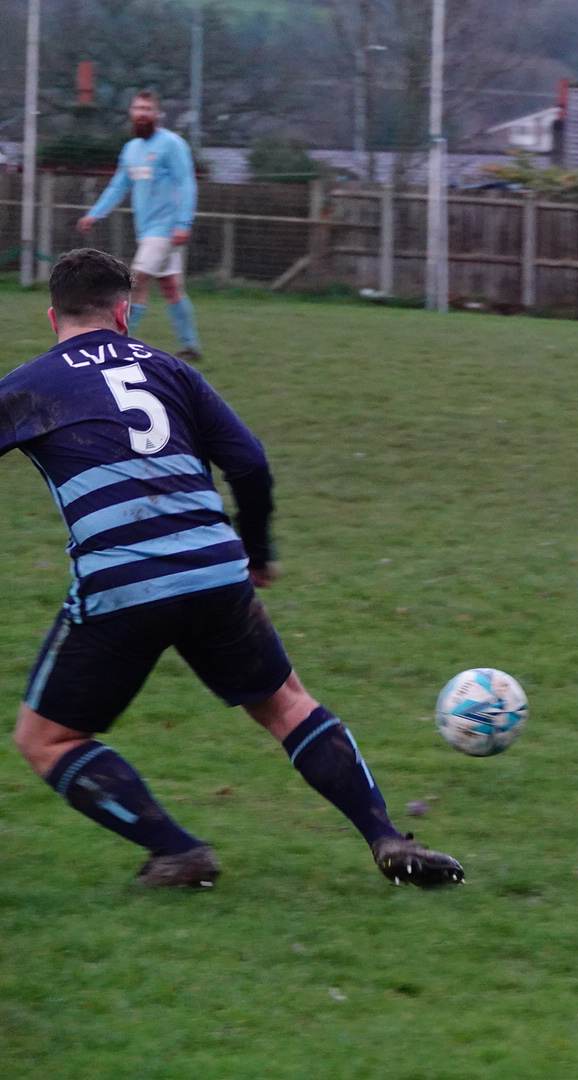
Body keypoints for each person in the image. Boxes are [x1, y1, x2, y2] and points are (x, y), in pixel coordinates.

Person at [4, 249, 462, 889]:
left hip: (123, 581)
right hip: (217, 571)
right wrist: (256, 554)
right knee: (285, 704)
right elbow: (250, 464)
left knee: (45, 740)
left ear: (52, 317)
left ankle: (177, 851)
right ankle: (386, 836)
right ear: (123, 312)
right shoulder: (171, 371)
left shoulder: (31, 384)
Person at [77, 90, 203, 361]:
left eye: (148, 108)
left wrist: (183, 222)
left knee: (133, 281)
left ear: (157, 114)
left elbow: (186, 183)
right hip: (147, 232)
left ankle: (118, 344)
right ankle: (191, 345)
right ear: (131, 113)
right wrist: (95, 214)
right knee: (170, 287)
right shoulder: (131, 150)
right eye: (138, 108)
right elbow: (118, 186)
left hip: (166, 230)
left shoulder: (172, 144)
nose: (142, 113)